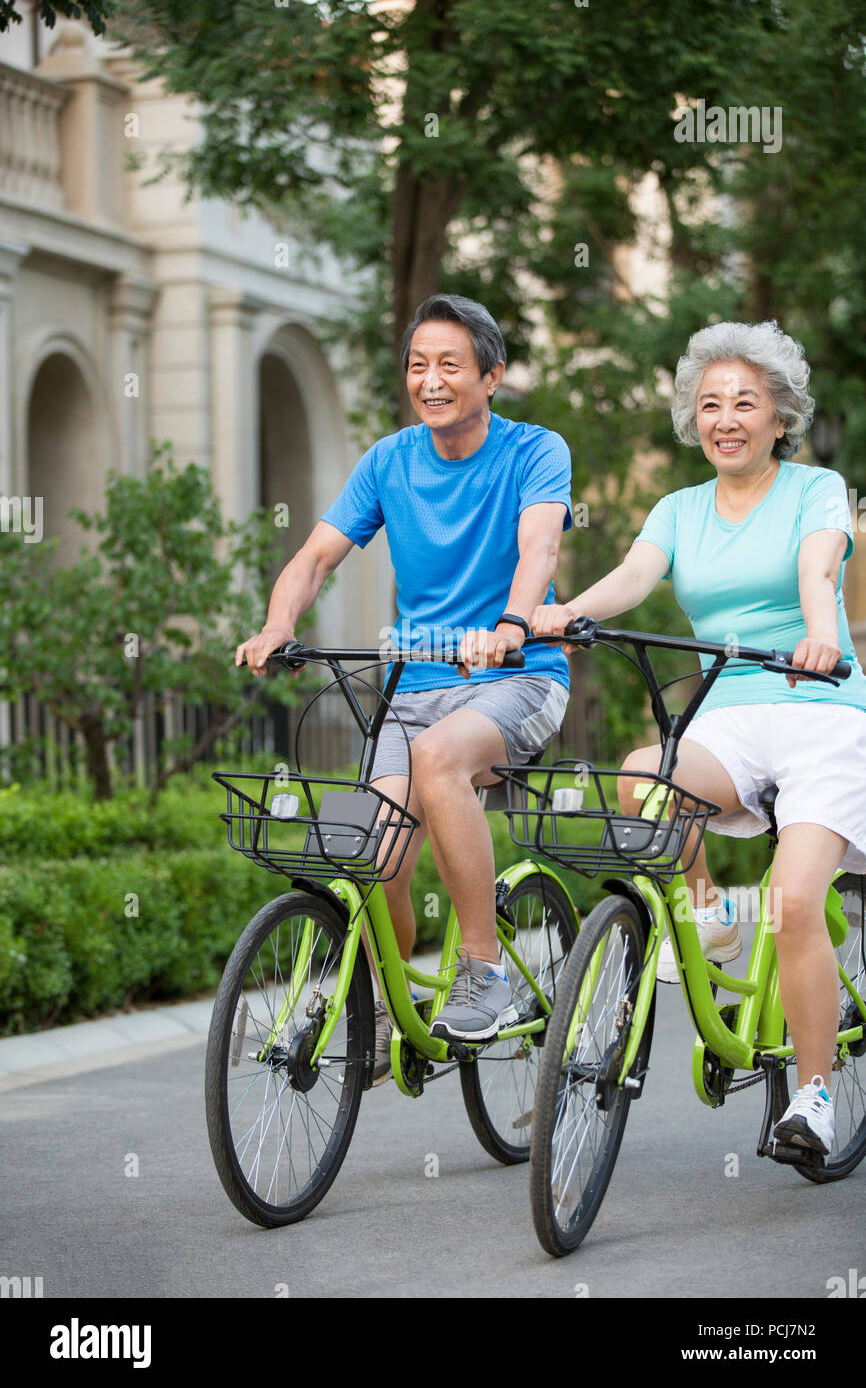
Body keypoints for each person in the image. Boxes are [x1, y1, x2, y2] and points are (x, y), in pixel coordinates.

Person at [531, 319, 866, 1157]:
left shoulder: (816, 487)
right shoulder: (679, 509)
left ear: (779, 417)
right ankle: (709, 911)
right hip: (730, 715)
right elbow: (636, 577)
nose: (726, 418)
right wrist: (569, 611)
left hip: (822, 711)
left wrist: (820, 635)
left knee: (792, 901)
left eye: (745, 403)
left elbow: (817, 572)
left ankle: (816, 1095)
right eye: (710, 403)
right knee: (645, 773)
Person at [236, 293, 572, 1081]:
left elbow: (540, 546)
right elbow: (315, 558)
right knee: (371, 853)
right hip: (412, 687)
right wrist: (278, 622)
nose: (431, 380)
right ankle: (389, 1001)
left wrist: (514, 624)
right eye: (418, 364)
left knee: (440, 759)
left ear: (491, 376)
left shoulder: (534, 450)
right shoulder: (389, 461)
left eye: (449, 365)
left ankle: (485, 971)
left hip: (515, 679)